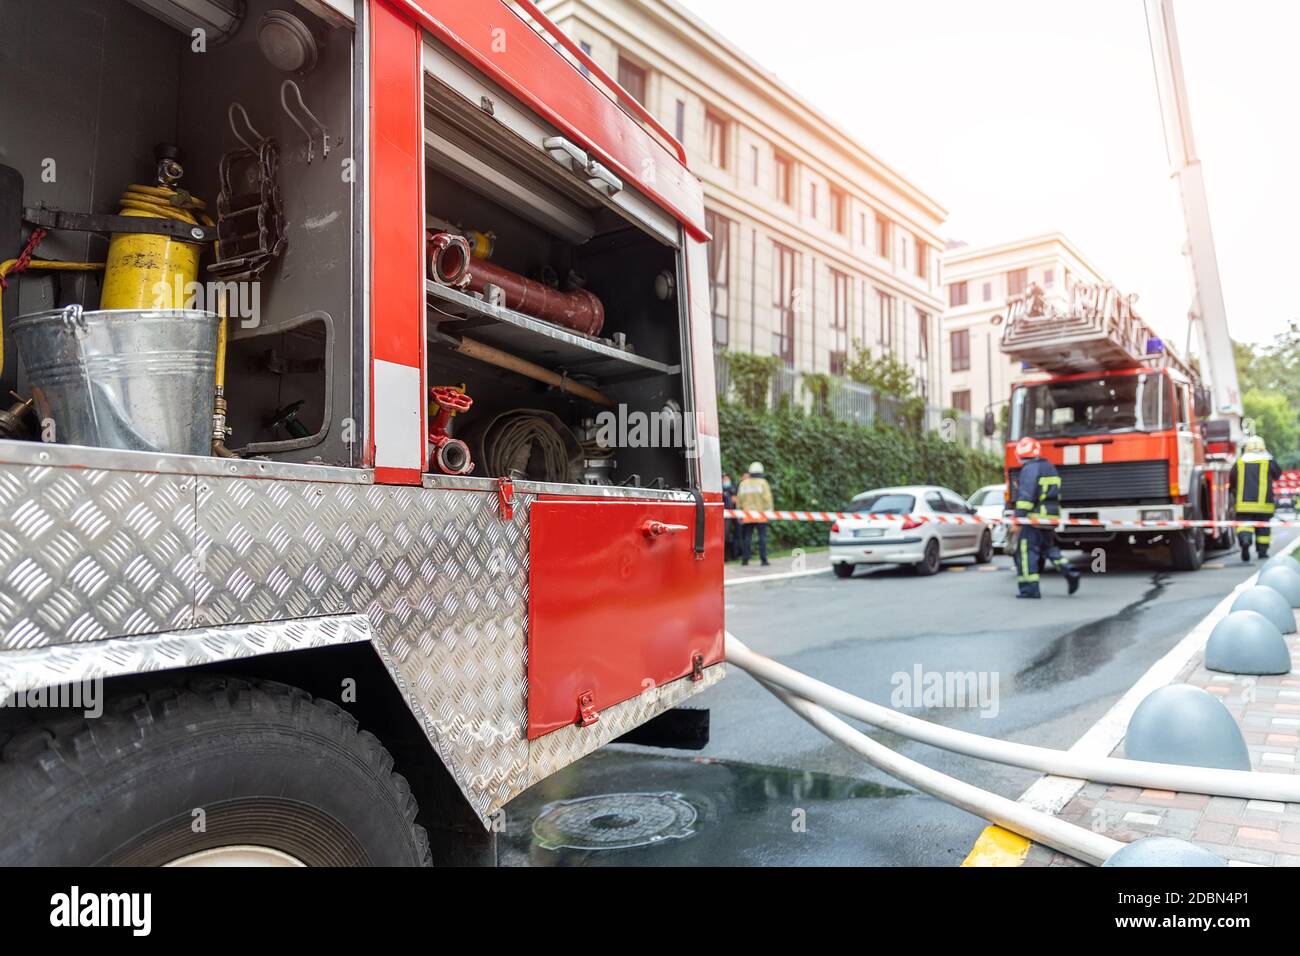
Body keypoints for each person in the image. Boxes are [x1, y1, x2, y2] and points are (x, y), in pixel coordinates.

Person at [1012, 436, 1080, 599]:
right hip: (1049, 518)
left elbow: (1026, 498)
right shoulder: (1049, 467)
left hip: (1034, 519)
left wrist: (1018, 519)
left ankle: (1029, 589)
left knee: (1027, 551)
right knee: (1048, 549)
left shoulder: (1029, 469)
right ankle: (1070, 572)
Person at [1230, 435, 1281, 561]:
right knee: (1263, 529)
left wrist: (1233, 492)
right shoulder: (1268, 460)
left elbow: (1232, 479)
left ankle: (1245, 541)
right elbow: (1278, 474)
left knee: (1244, 526)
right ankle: (1262, 552)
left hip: (1244, 505)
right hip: (1264, 505)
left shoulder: (1240, 462)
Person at [735, 461, 773, 567]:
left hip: (747, 515)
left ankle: (745, 560)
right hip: (761, 515)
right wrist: (769, 513)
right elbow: (767, 499)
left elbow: (739, 500)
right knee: (762, 538)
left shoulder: (743, 483)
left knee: (747, 537)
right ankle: (763, 560)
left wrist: (739, 514)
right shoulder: (763, 483)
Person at [722, 473, 739, 561]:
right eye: (724, 479)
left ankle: (734, 556)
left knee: (733, 535)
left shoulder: (733, 489)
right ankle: (725, 557)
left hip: (734, 514)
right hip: (725, 516)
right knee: (725, 536)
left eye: (727, 479)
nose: (726, 481)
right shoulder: (721, 491)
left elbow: (736, 501)